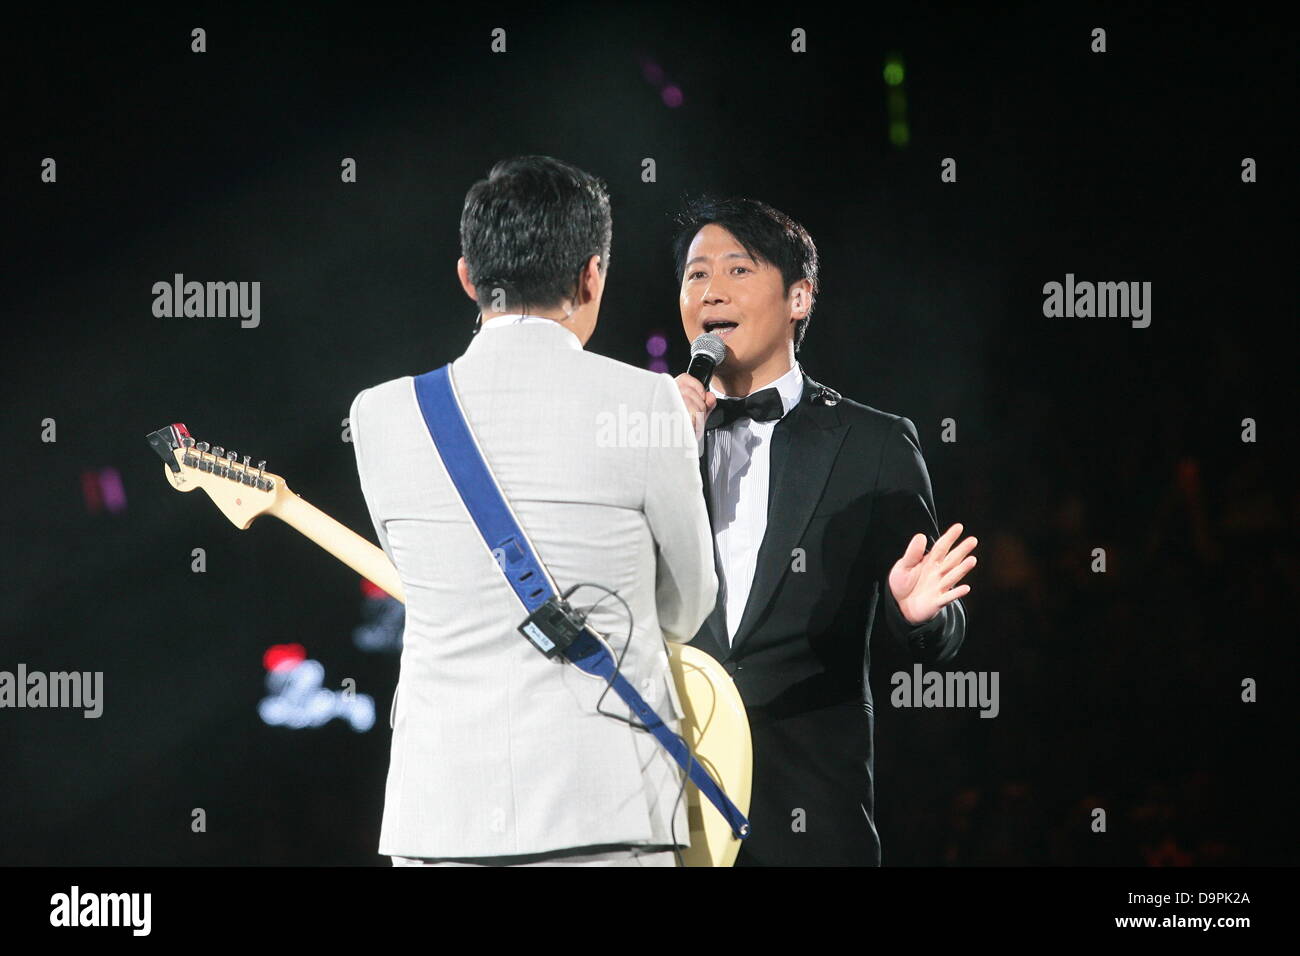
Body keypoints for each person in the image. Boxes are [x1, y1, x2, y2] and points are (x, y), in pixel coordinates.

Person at [349, 156, 716, 866]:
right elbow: (686, 606)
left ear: (467, 277)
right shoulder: (649, 406)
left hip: (440, 823)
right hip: (607, 810)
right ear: (591, 275)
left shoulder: (380, 415)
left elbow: (433, 583)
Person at [671, 196, 976, 866]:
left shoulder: (873, 444)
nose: (711, 289)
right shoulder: (646, 437)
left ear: (799, 298)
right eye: (696, 275)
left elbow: (938, 632)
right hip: (665, 822)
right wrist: (654, 453)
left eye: (737, 270)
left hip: (808, 827)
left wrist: (919, 612)